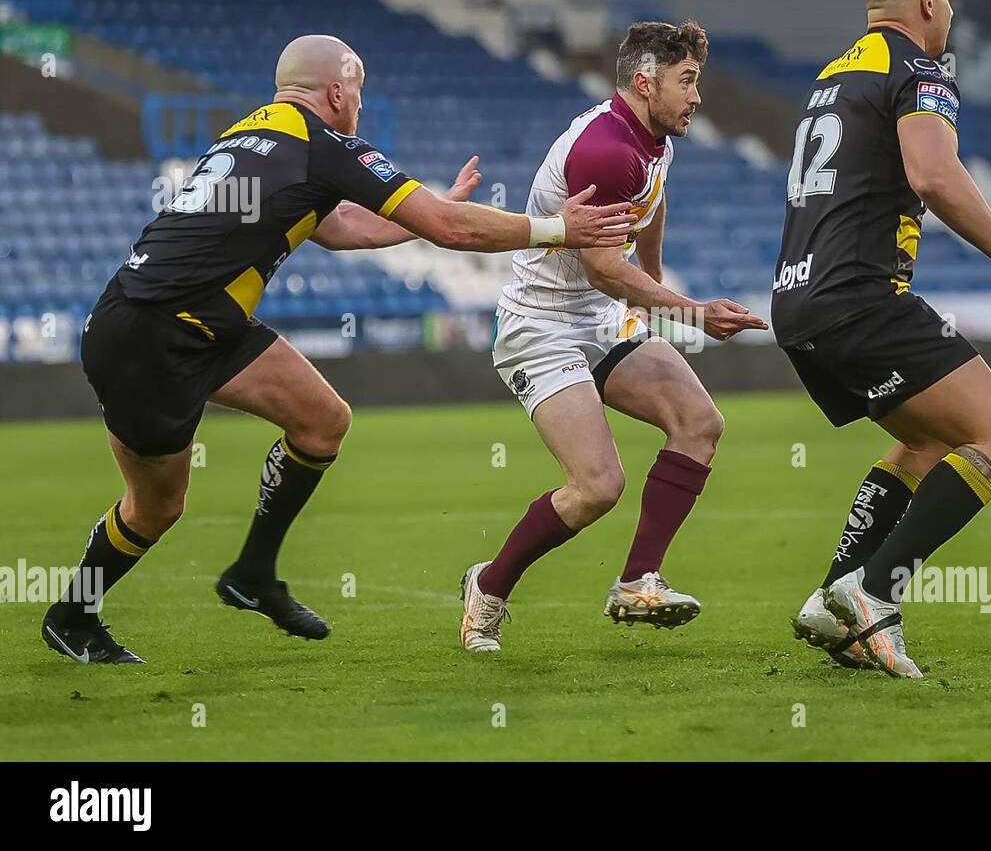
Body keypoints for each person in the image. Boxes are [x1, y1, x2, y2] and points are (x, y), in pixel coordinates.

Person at [42, 34, 637, 665]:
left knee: (322, 421)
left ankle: (254, 572)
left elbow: (340, 226)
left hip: (192, 323)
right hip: (156, 336)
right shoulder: (321, 143)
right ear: (336, 92)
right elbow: (451, 230)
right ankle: (72, 614)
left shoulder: (254, 131)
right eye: (358, 89)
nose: (360, 101)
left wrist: (428, 215)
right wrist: (555, 228)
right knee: (156, 507)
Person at [772, 0, 991, 677]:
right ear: (930, 2)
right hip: (858, 298)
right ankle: (877, 591)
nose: (951, 9)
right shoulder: (920, 69)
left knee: (926, 442)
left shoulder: (834, 74)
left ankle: (831, 595)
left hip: (799, 302)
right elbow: (934, 176)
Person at [459, 21, 767, 653]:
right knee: (599, 487)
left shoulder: (655, 140)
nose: (697, 97)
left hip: (602, 316)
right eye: (687, 82)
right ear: (645, 82)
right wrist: (690, 313)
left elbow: (650, 209)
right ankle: (487, 588)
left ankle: (635, 582)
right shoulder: (606, 149)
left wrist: (655, 288)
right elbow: (602, 266)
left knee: (699, 423)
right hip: (541, 326)